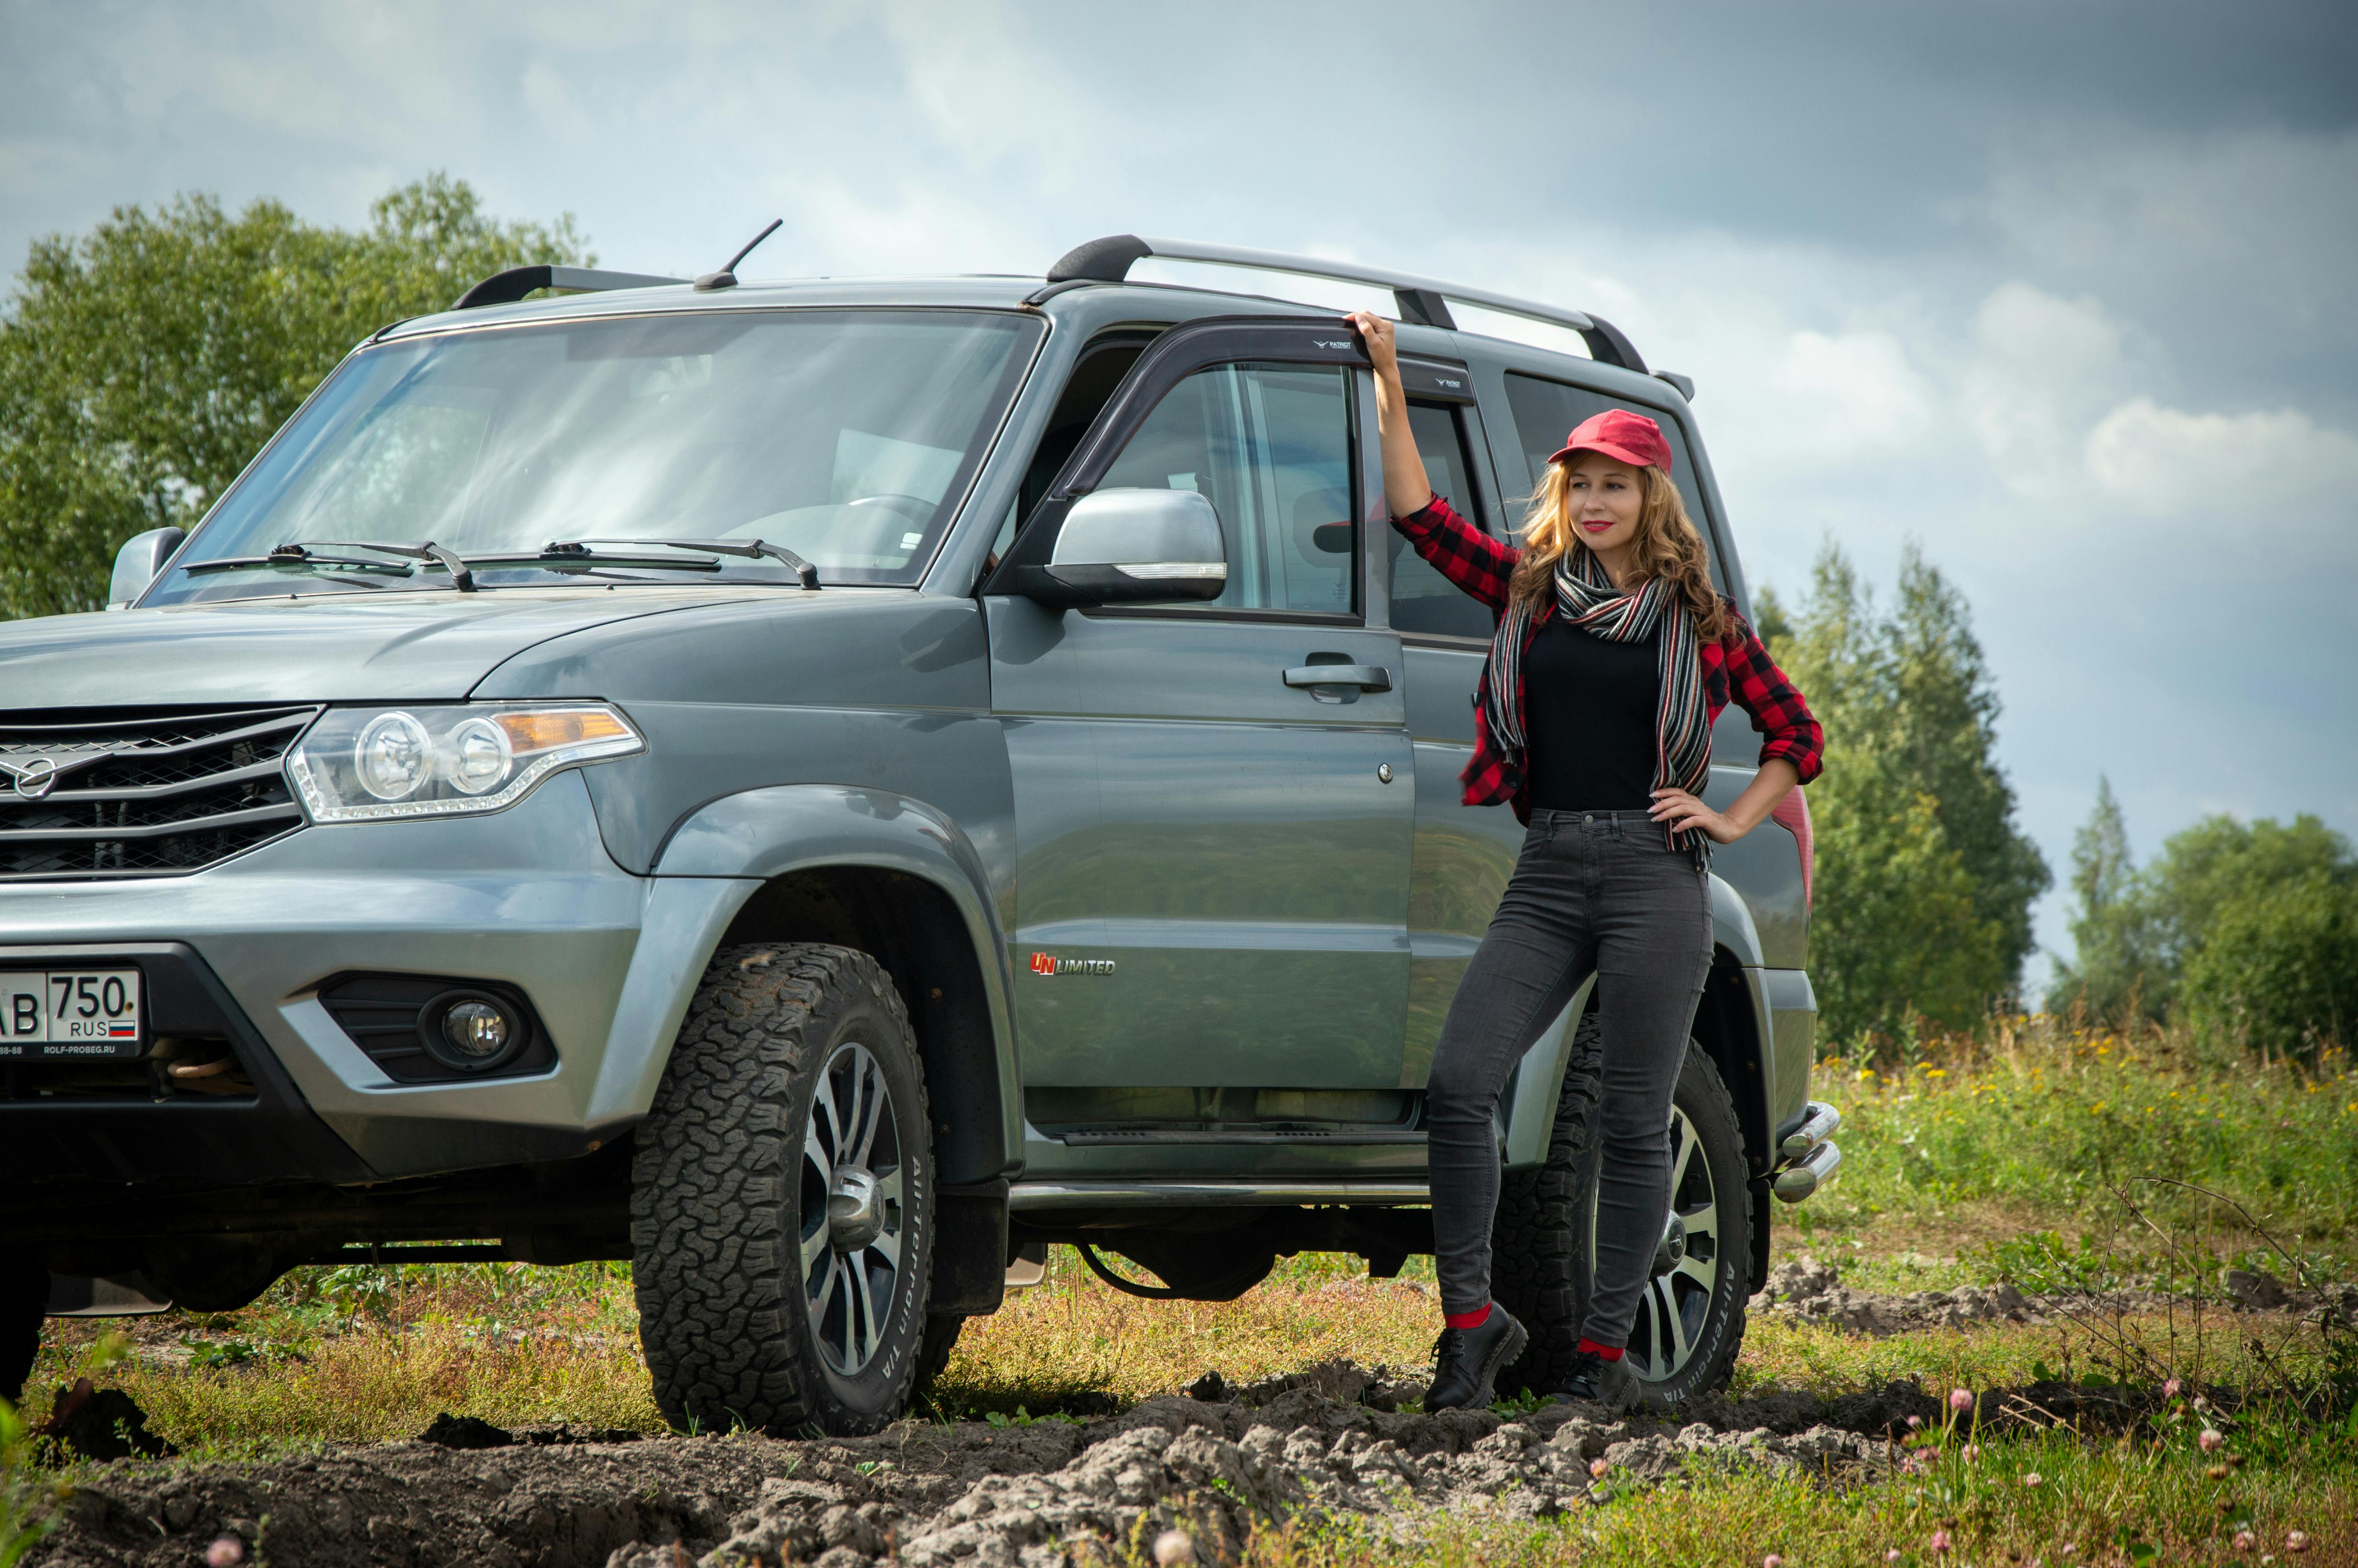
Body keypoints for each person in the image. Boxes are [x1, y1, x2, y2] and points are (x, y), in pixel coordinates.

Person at [1344, 311, 1825, 1411]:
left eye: (1614, 484)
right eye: (1579, 485)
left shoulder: (1699, 619)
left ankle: (1603, 1361)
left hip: (1657, 878)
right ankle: (1472, 1327)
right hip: (1549, 868)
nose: (1594, 501)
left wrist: (1730, 817)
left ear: (1650, 498)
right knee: (1463, 1084)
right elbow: (1418, 514)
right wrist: (1385, 377)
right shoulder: (1527, 588)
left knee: (1627, 1112)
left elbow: (1796, 735)